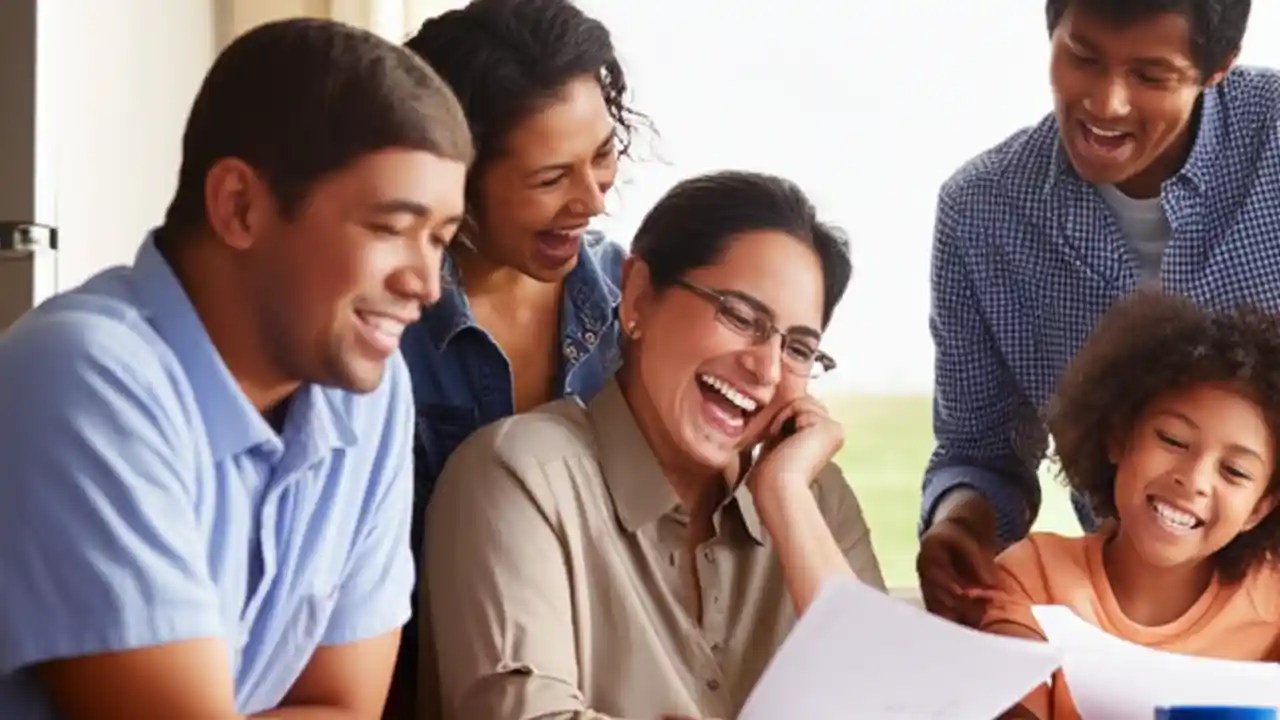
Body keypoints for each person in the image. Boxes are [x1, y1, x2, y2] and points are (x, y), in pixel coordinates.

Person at [0, 18, 472, 720]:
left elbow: (344, 706)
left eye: (439, 239)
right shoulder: (83, 375)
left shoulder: (370, 392)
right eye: (390, 228)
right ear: (239, 207)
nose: (427, 285)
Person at [423, 171, 885, 720]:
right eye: (740, 316)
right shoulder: (517, 477)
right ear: (638, 295)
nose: (764, 369)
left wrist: (785, 497)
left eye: (799, 349)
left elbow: (893, 708)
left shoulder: (815, 500)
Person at [915, 0, 1280, 625]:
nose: (1106, 103)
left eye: (1150, 76)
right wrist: (959, 524)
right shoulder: (982, 213)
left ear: (1217, 67)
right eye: (1082, 57)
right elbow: (978, 452)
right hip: (1132, 621)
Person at [393, 1, 648, 714]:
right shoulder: (378, 333)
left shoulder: (640, 305)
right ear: (456, 175)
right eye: (549, 179)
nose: (593, 200)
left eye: (602, 155)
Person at [979, 291, 1280, 720]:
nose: (1193, 480)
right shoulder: (1034, 578)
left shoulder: (1272, 603)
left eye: (1234, 471)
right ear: (1119, 437)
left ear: (1259, 509)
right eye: (1173, 440)